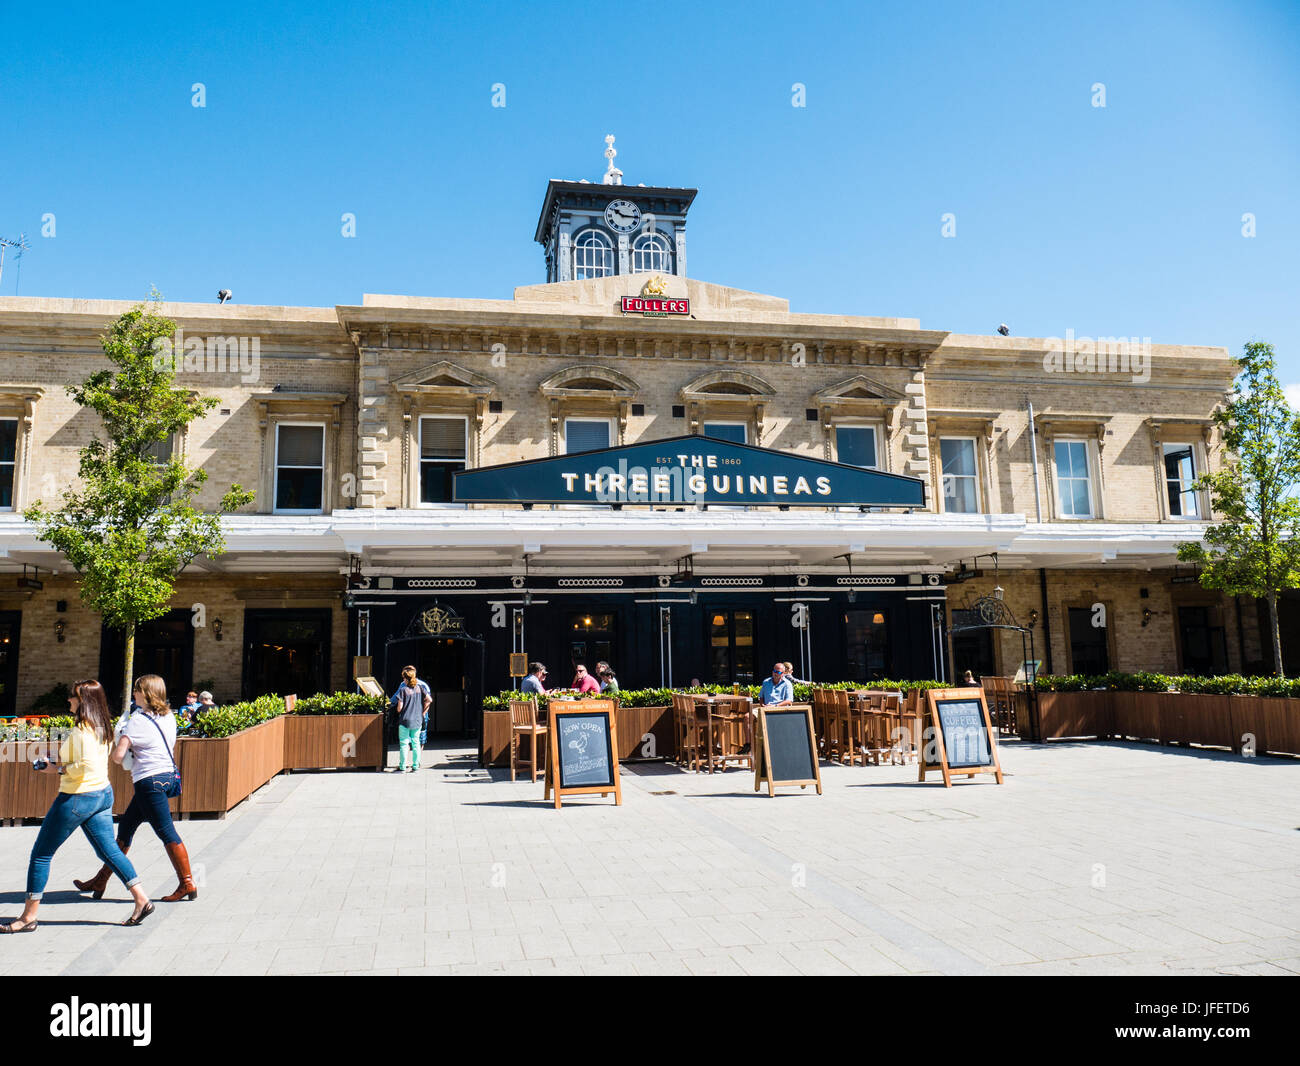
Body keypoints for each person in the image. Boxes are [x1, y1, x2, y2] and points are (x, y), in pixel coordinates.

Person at [2, 679, 153, 932]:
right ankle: (142, 899)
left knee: (41, 855)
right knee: (109, 852)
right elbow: (89, 761)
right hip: (102, 794)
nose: (69, 700)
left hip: (77, 797)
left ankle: (28, 917)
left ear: (83, 701)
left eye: (72, 696)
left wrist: (54, 768)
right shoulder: (102, 727)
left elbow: (82, 766)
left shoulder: (82, 731)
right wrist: (58, 762)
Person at [74, 674, 196, 903]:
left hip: (148, 782)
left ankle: (187, 882)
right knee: (126, 829)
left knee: (166, 832)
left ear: (146, 693)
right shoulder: (169, 716)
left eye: (137, 690)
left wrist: (120, 741)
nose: (133, 694)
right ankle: (101, 879)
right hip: (166, 776)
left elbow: (118, 757)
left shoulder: (138, 720)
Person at [390, 666, 431, 773]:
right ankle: (415, 765)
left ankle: (403, 766)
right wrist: (422, 712)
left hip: (405, 719)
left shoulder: (403, 689)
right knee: (416, 742)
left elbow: (399, 707)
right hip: (417, 719)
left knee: (404, 743)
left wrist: (398, 709)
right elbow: (429, 700)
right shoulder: (421, 687)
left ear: (406, 678)